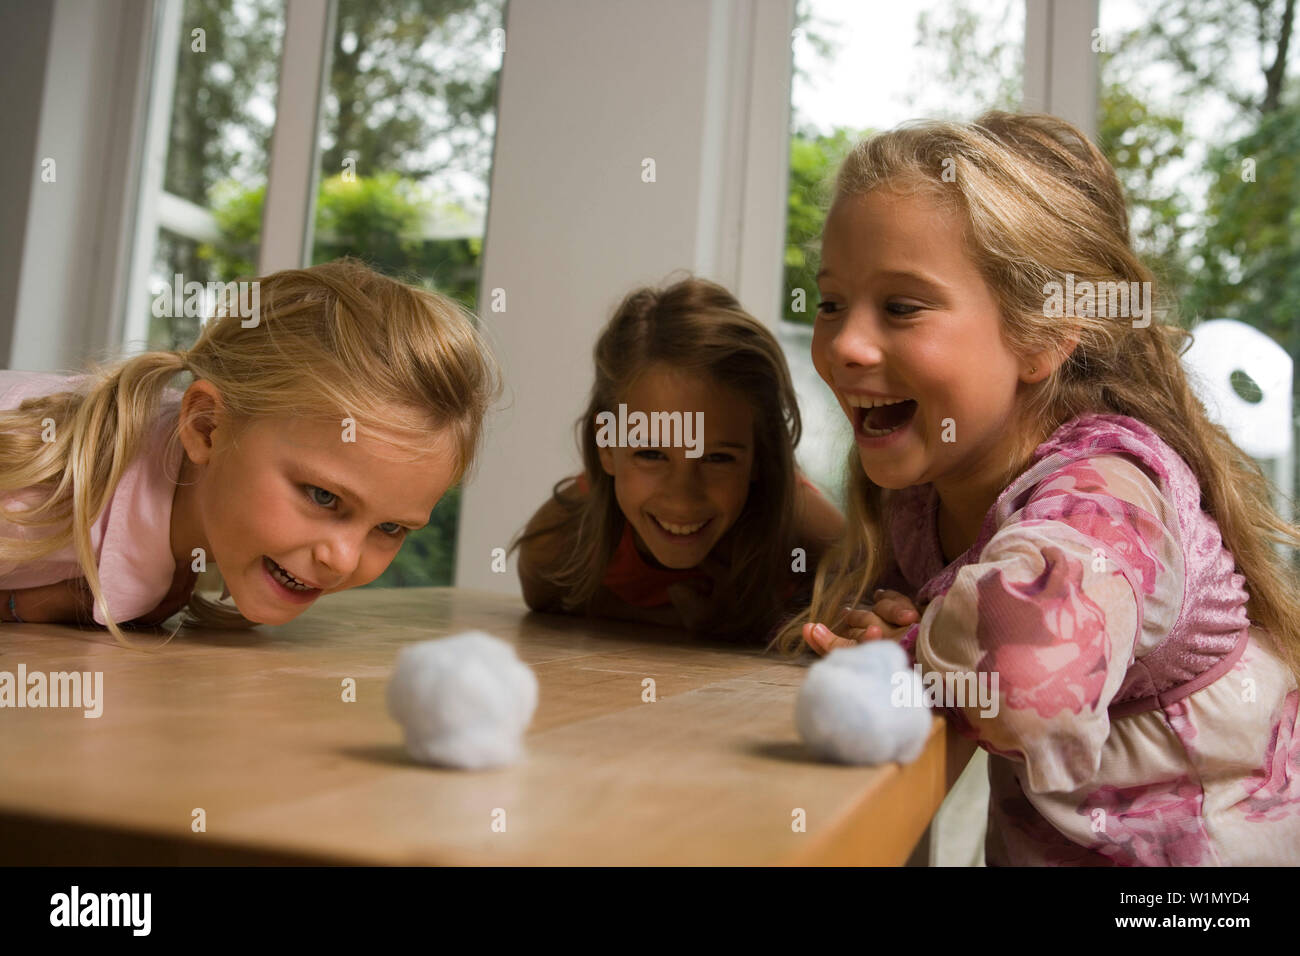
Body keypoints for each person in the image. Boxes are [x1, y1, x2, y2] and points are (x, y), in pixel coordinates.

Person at [775, 111, 1300, 865]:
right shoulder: (930, 495)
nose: (846, 344)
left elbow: (1029, 685)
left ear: (1045, 335)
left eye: (901, 307)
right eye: (831, 303)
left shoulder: (1105, 493)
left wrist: (919, 647)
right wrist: (890, 625)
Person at [0, 258, 500, 647]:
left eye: (390, 528)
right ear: (206, 426)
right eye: (323, 497)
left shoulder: (192, 524)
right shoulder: (32, 495)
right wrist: (34, 606)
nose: (342, 560)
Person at [513, 276, 843, 643]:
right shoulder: (560, 540)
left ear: (761, 456)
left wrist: (754, 622)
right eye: (651, 454)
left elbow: (875, 612)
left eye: (717, 458)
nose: (682, 498)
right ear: (605, 446)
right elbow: (541, 594)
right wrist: (677, 621)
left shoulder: (809, 532)